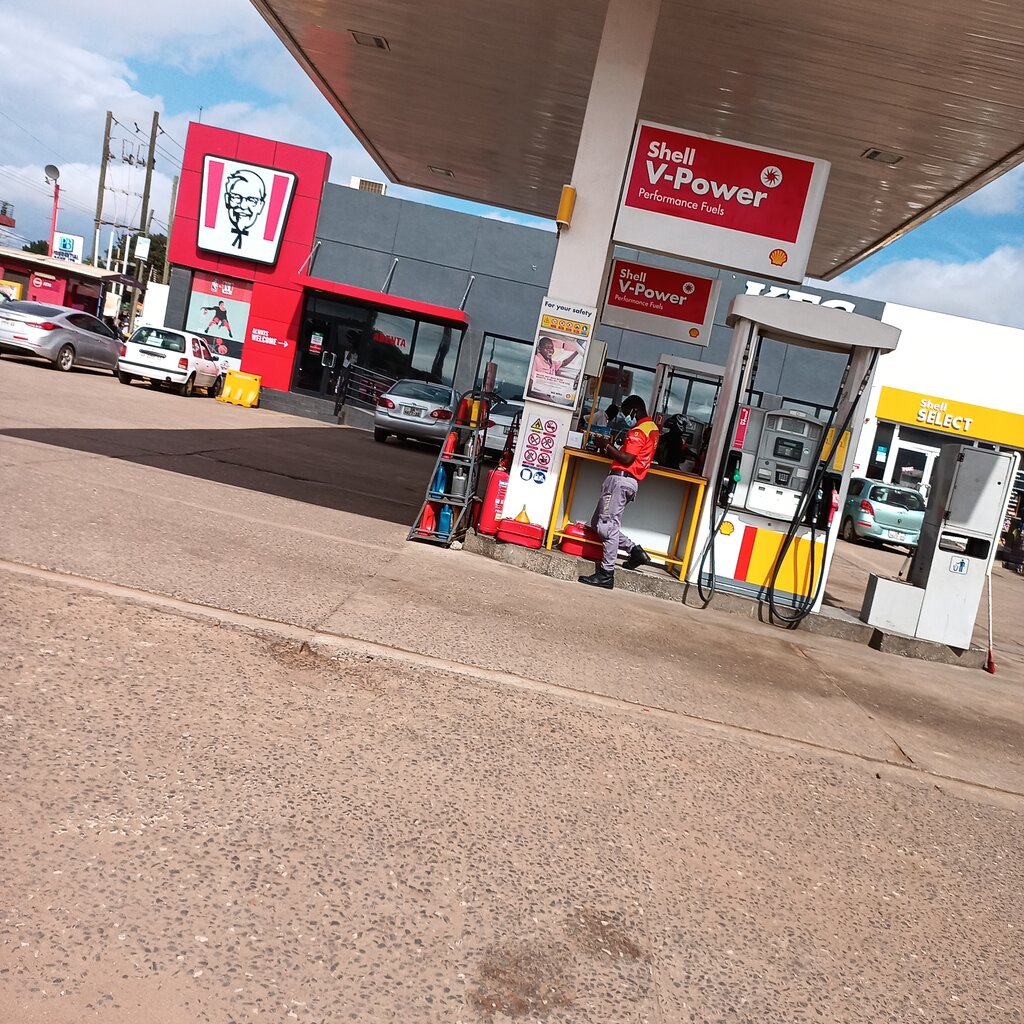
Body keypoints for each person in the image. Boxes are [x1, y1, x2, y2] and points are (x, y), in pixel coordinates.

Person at [579, 395, 660, 589]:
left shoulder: (639, 431)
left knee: (606, 527)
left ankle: (606, 574)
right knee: (598, 523)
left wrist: (604, 445)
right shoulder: (652, 429)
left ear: (634, 409)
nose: (626, 418)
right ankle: (634, 550)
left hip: (621, 479)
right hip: (628, 481)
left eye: (626, 413)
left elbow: (626, 458)